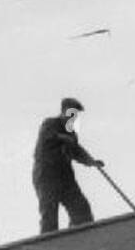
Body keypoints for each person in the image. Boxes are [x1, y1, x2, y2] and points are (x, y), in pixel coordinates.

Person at [32, 97, 105, 234]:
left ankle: (78, 238)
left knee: (82, 210)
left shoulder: (71, 133)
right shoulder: (50, 124)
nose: (73, 117)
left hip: (65, 177)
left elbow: (78, 152)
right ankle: (49, 245)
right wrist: (64, 138)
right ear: (64, 111)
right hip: (47, 176)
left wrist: (91, 162)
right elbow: (49, 137)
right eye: (71, 113)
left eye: (75, 115)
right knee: (50, 215)